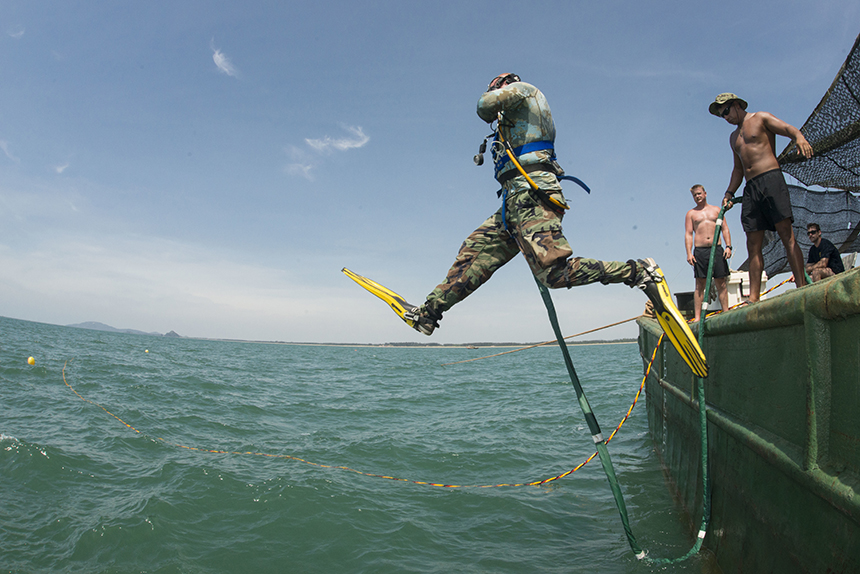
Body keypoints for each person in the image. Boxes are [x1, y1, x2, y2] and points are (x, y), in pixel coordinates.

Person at [407, 74, 679, 337]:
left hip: (535, 197)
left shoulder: (526, 91)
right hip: (511, 206)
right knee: (473, 252)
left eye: (495, 88)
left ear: (502, 86)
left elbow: (484, 107)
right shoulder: (510, 125)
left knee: (554, 273)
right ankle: (430, 311)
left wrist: (493, 97)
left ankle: (638, 271)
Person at [710, 93, 814, 303]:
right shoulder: (733, 138)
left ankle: (802, 287)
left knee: (787, 234)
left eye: (727, 111)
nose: (726, 117)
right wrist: (729, 193)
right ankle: (754, 297)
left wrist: (799, 137)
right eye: (722, 116)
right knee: (752, 243)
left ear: (737, 105)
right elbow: (738, 169)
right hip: (751, 189)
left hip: (771, 180)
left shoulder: (761, 118)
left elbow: (787, 129)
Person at [684, 184, 732, 321]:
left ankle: (726, 313)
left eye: (699, 193)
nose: (697, 197)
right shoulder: (691, 214)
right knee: (700, 284)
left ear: (705, 193)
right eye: (694, 195)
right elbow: (688, 234)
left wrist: (728, 246)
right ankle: (698, 317)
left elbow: (725, 229)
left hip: (716, 249)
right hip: (700, 251)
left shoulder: (716, 210)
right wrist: (689, 253)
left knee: (721, 282)